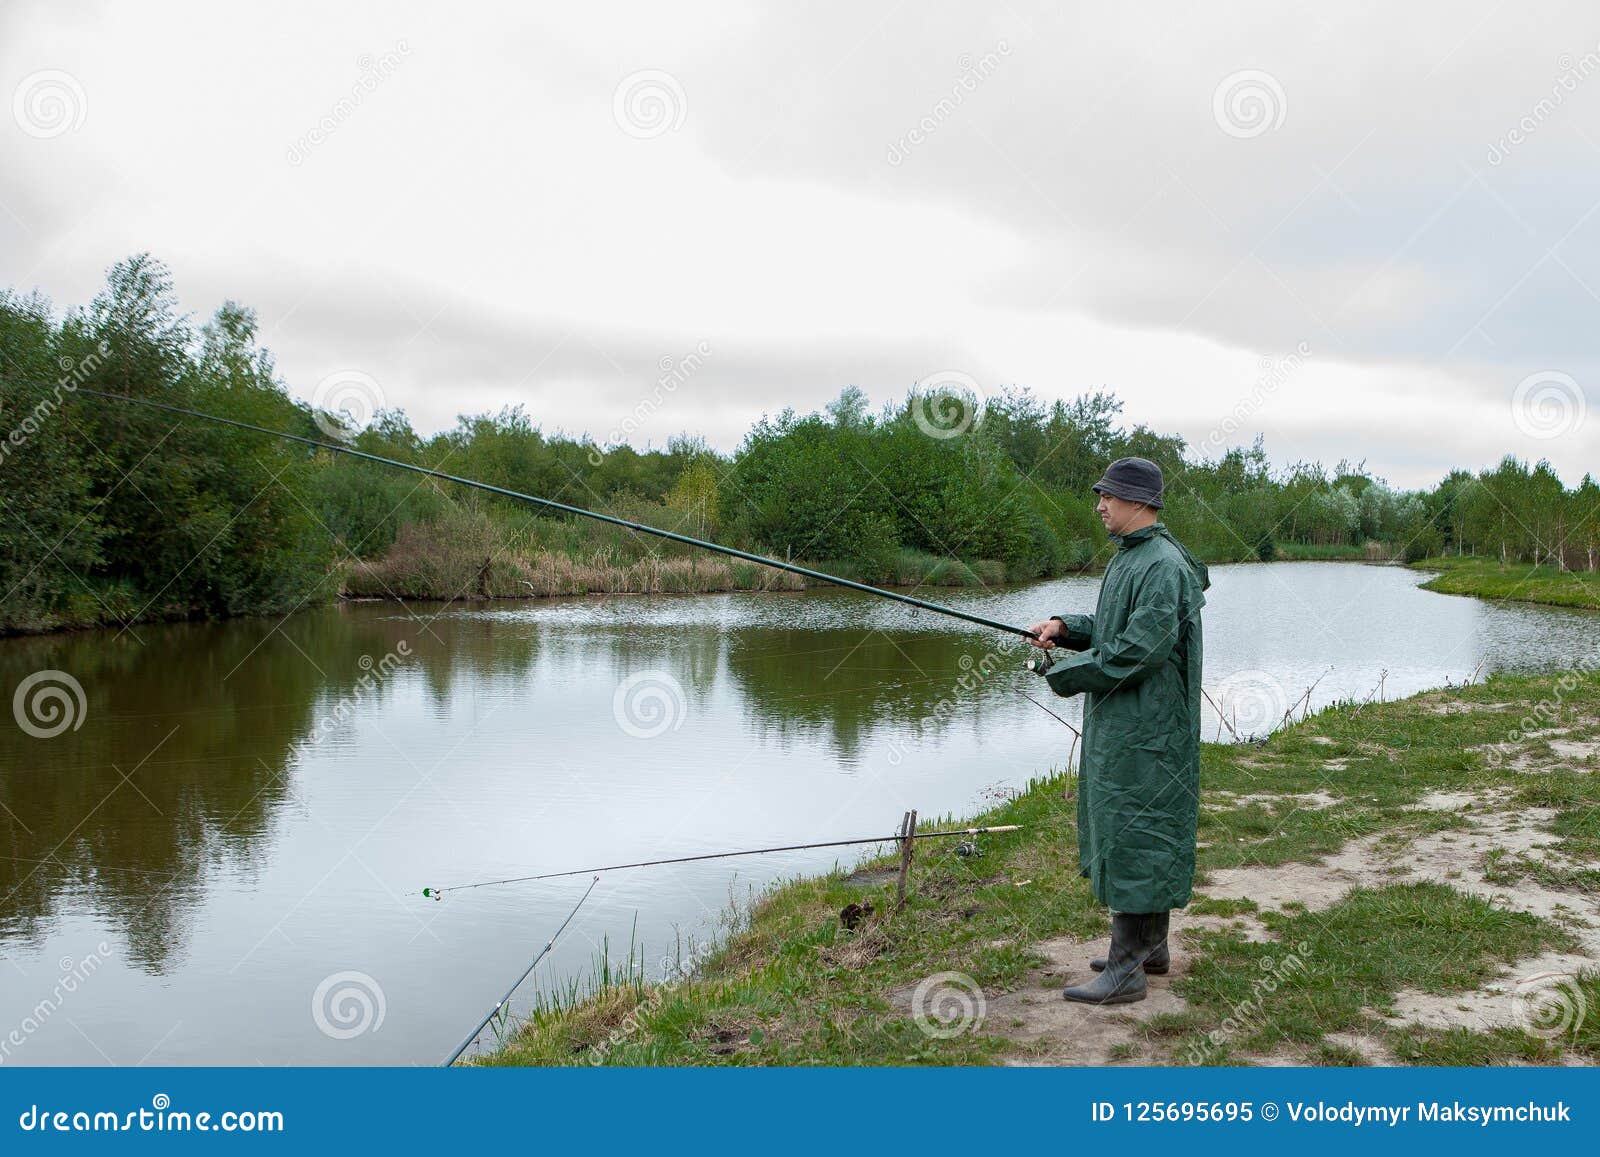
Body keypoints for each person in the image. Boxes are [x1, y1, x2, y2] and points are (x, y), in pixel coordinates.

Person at [1028, 456, 1208, 1005]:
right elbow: (1115, 630)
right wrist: (1065, 629)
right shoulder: (1136, 556)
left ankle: (1126, 972)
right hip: (1133, 723)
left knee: (1137, 831)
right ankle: (1149, 950)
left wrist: (1059, 671)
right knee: (1135, 826)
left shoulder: (1161, 565)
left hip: (1148, 728)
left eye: (1107, 496)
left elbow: (1138, 651)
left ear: (1137, 501)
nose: (1099, 506)